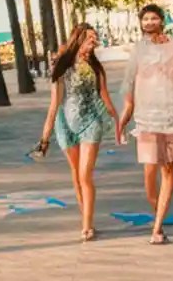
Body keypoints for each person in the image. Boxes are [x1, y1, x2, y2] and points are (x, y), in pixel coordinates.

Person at [118, 3, 173, 245]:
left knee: (168, 170)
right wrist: (123, 119)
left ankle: (157, 227)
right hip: (146, 120)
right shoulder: (138, 52)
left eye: (154, 18)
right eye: (145, 20)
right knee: (148, 176)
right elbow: (128, 87)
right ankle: (158, 214)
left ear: (162, 21)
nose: (149, 23)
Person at [37, 23, 119, 242]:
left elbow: (104, 96)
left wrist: (118, 121)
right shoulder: (63, 66)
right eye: (90, 38)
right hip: (65, 124)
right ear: (79, 38)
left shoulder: (96, 67)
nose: (94, 42)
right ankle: (86, 215)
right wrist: (44, 138)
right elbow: (54, 104)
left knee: (85, 175)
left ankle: (87, 225)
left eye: (95, 38)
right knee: (75, 173)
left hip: (91, 122)